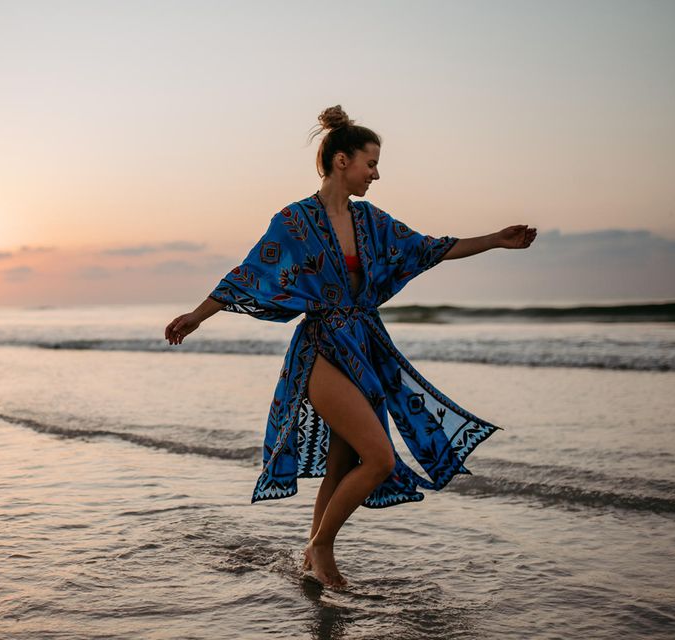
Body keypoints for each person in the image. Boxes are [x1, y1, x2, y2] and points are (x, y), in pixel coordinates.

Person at [164, 105, 536, 589]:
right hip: (321, 347)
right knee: (378, 459)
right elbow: (251, 273)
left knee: (341, 465)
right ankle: (320, 546)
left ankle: (312, 557)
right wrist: (197, 315)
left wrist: (494, 241)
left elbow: (427, 248)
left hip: (364, 346)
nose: (376, 174)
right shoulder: (295, 222)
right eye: (370, 163)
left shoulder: (370, 221)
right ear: (342, 161)